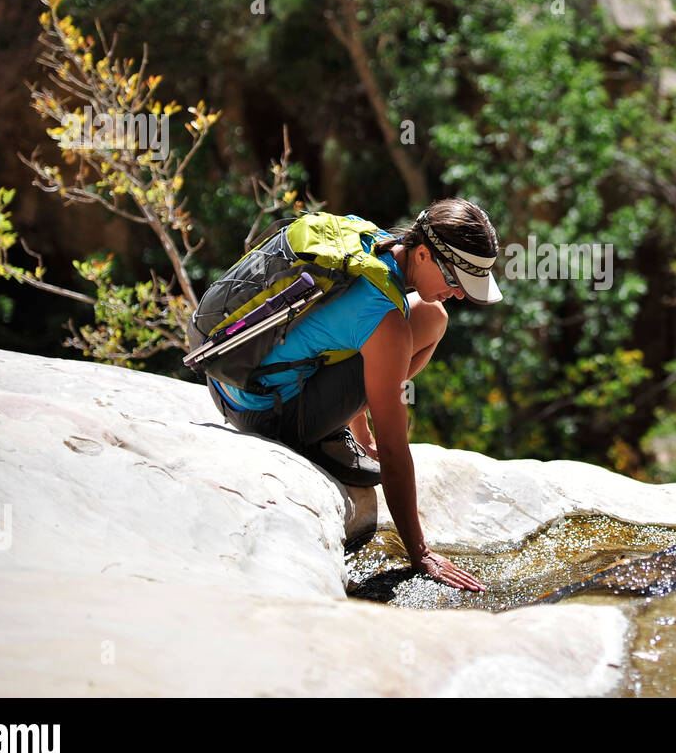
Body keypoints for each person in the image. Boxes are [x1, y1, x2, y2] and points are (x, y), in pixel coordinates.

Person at [205, 198, 502, 592]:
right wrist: (420, 553)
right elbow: (396, 452)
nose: (460, 294)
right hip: (264, 412)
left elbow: (343, 339)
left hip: (228, 377)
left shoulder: (368, 239)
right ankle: (323, 430)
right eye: (455, 280)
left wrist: (363, 438)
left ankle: (343, 427)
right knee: (394, 339)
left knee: (432, 317)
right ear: (425, 254)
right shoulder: (385, 318)